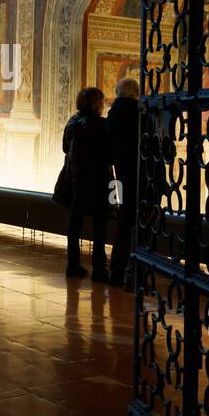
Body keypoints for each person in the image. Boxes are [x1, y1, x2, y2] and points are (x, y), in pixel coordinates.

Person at [61, 87, 110, 282]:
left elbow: (65, 148)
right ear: (95, 104)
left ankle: (73, 264)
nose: (103, 104)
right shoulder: (103, 125)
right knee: (100, 225)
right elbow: (109, 153)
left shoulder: (72, 122)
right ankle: (99, 268)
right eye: (101, 101)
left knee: (75, 223)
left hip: (76, 178)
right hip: (98, 179)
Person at [106, 78, 140, 288]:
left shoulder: (113, 113)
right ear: (135, 92)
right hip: (140, 173)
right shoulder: (141, 112)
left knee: (123, 222)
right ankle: (134, 272)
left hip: (118, 173)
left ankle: (116, 271)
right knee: (138, 224)